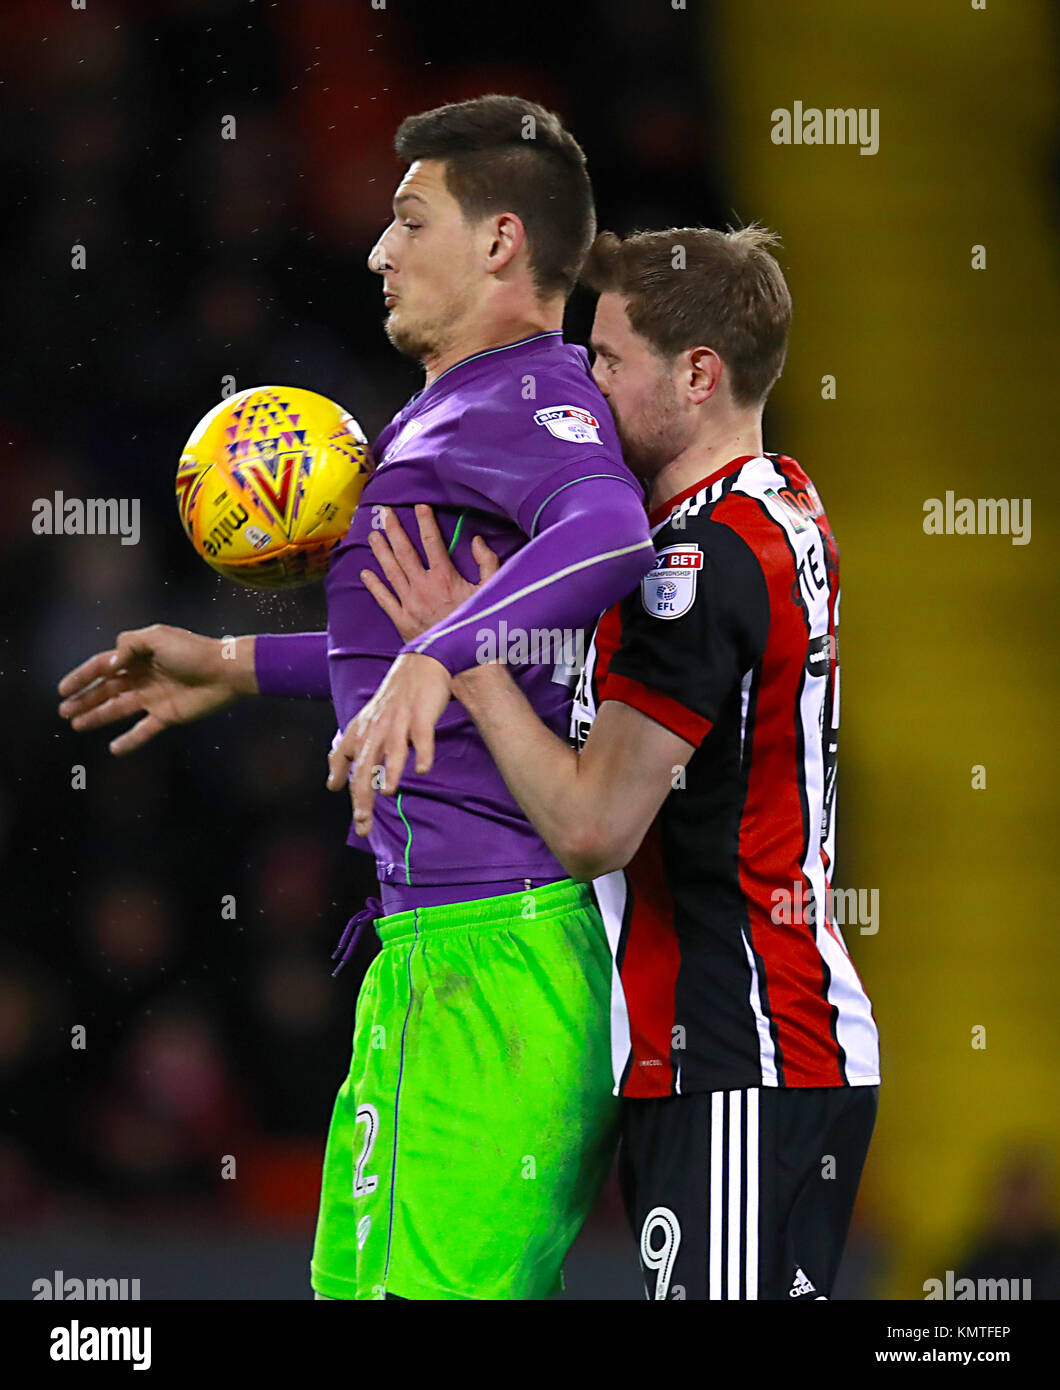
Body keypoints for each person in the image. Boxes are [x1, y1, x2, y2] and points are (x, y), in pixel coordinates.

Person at [56, 94, 657, 1301]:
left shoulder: (525, 397)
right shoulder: (438, 412)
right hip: (422, 951)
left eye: (408, 220)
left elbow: (612, 532)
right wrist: (230, 665)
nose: (378, 251)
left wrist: (446, 652)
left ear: (498, 242)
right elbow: (395, 649)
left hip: (500, 953)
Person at [361, 225, 881, 1300]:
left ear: (698, 376)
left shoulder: (700, 562)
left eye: (607, 359)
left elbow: (595, 826)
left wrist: (465, 653)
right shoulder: (769, 504)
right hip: (732, 1049)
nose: (585, 386)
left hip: (740, 1046)